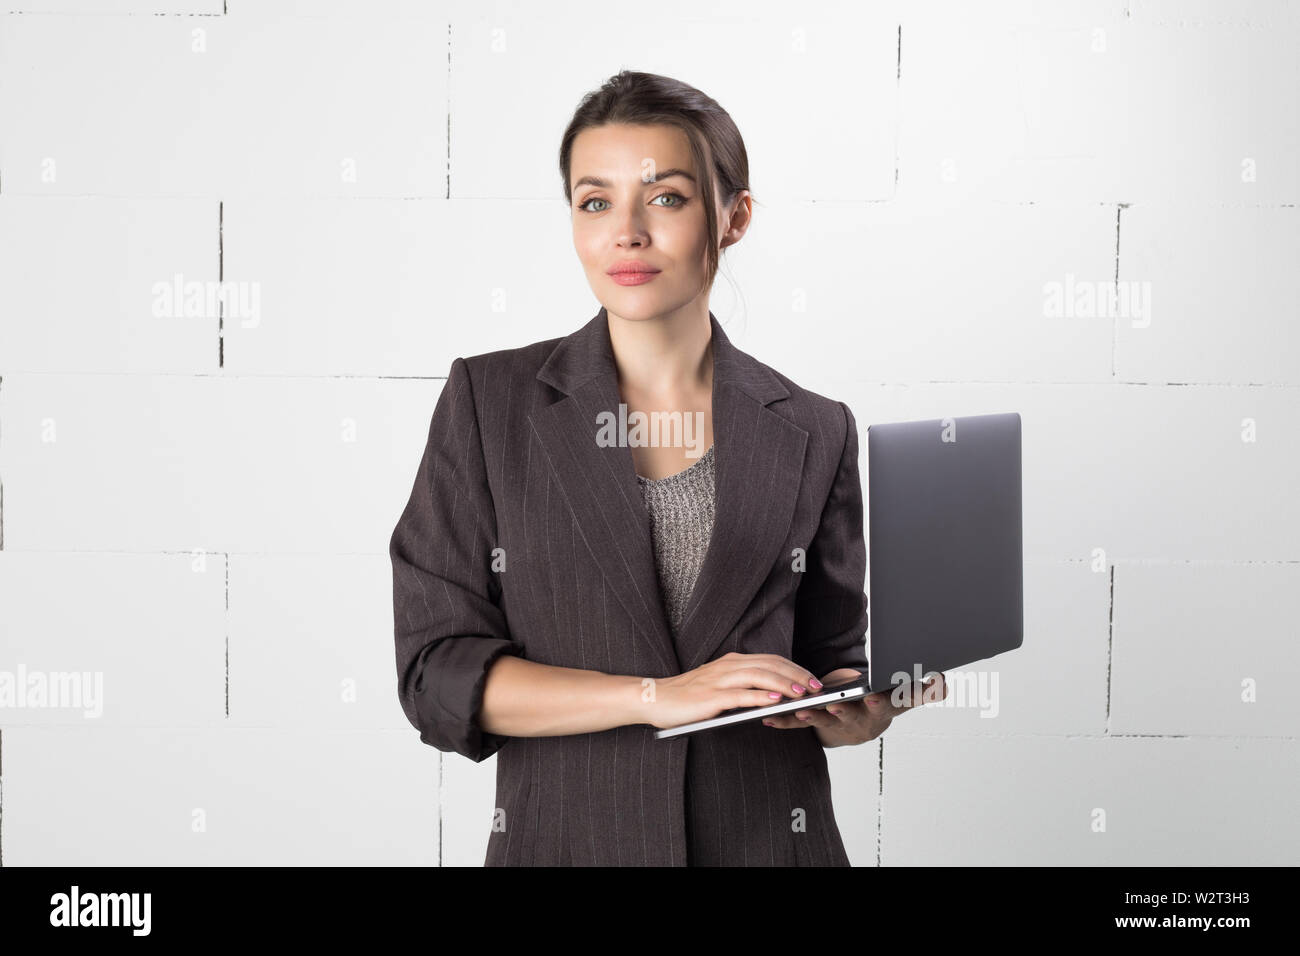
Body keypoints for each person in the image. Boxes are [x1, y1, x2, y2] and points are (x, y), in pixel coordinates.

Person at [390, 70, 946, 866]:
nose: (626, 232)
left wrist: (857, 709)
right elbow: (434, 674)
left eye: (667, 198)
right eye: (595, 201)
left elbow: (832, 656)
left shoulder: (816, 429)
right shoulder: (489, 404)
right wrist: (658, 699)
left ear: (735, 217)